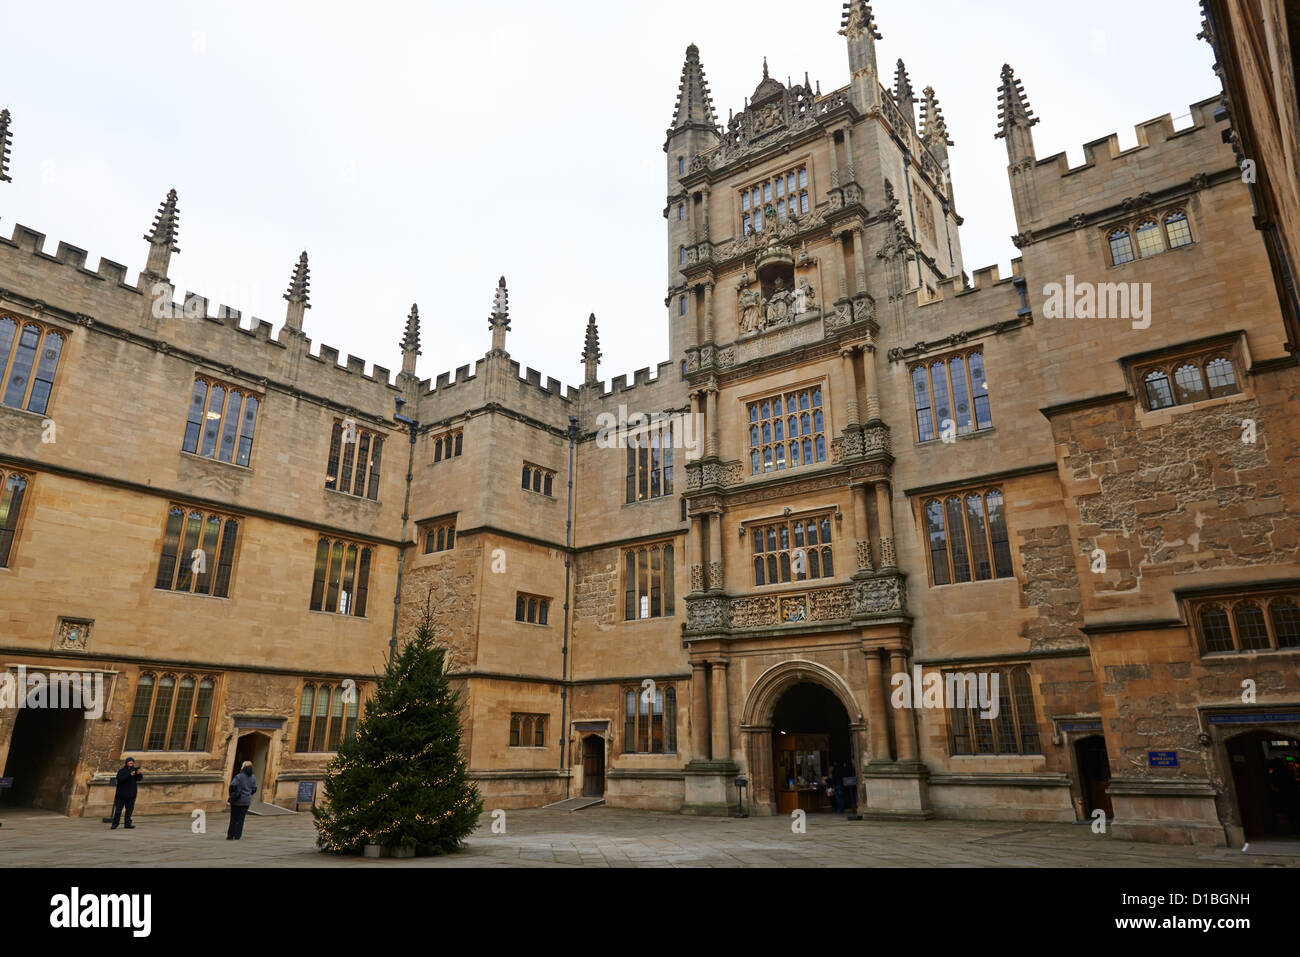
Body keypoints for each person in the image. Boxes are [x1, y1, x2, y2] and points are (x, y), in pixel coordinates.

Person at [227, 760, 258, 840]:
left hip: (237, 801)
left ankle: (230, 836)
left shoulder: (239, 776)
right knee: (241, 819)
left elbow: (232, 787)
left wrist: (232, 795)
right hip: (246, 801)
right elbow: (254, 789)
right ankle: (237, 836)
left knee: (233, 819)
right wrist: (248, 794)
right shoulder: (253, 777)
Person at [109, 757, 142, 829]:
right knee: (118, 811)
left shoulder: (134, 770)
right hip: (121, 795)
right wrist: (129, 774)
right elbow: (120, 779)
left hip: (131, 795)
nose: (131, 763)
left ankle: (127, 824)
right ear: (126, 763)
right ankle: (115, 824)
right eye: (130, 762)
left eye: (132, 762)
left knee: (129, 811)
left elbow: (139, 779)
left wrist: (138, 774)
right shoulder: (122, 771)